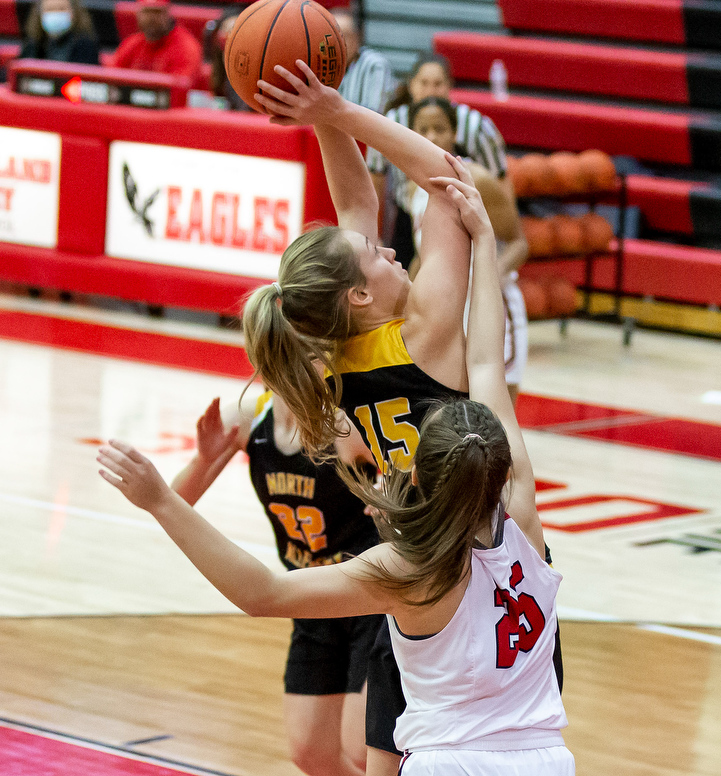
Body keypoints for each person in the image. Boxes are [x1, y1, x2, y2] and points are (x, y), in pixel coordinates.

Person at [97, 152, 573, 775]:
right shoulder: (523, 521)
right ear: (500, 463)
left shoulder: (411, 570)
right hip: (543, 759)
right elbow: (486, 365)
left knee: (357, 750)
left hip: (450, 761)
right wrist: (486, 243)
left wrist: (161, 499)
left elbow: (260, 592)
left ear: (410, 476)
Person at [244, 62, 562, 776]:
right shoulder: (427, 324)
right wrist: (338, 110)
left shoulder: (337, 348)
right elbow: (447, 178)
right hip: (489, 565)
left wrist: (322, 109)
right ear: (358, 295)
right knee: (512, 742)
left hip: (417, 571)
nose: (389, 247)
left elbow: (355, 205)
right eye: (378, 254)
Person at [171, 393, 379, 776]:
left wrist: (393, 496)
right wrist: (204, 459)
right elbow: (176, 501)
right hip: (311, 598)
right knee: (310, 750)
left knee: (364, 747)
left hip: (369, 596)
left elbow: (418, 483)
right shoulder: (248, 419)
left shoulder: (348, 423)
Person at [401, 96, 529, 406]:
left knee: (497, 416)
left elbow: (519, 243)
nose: (431, 137)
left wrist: (489, 279)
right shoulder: (413, 186)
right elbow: (425, 254)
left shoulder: (479, 181)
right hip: (445, 312)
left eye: (440, 129)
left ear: (455, 134)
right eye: (423, 129)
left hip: (492, 307)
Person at [366, 54, 509, 252]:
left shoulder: (476, 126)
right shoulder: (389, 123)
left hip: (461, 215)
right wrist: (372, 234)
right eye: (424, 83)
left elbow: (500, 180)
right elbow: (375, 178)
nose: (430, 91)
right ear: (411, 85)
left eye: (438, 83)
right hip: (408, 216)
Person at [110, 0, 203, 83]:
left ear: (168, 13)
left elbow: (179, 89)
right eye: (147, 12)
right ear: (138, 13)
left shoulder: (185, 47)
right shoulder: (132, 44)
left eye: (157, 12)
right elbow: (111, 79)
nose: (151, 18)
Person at [333, 9, 393, 114]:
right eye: (332, 35)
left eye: (344, 36)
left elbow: (374, 115)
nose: (338, 42)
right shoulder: (317, 62)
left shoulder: (375, 64)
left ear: (357, 38)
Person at [201, 4, 252, 111]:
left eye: (235, 31)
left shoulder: (252, 74)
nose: (229, 36)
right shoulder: (219, 67)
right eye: (226, 31)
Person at [19, 0, 99, 65]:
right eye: (50, 9)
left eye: (61, 9)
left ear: (73, 12)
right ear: (40, 14)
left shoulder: (85, 45)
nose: (55, 13)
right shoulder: (33, 44)